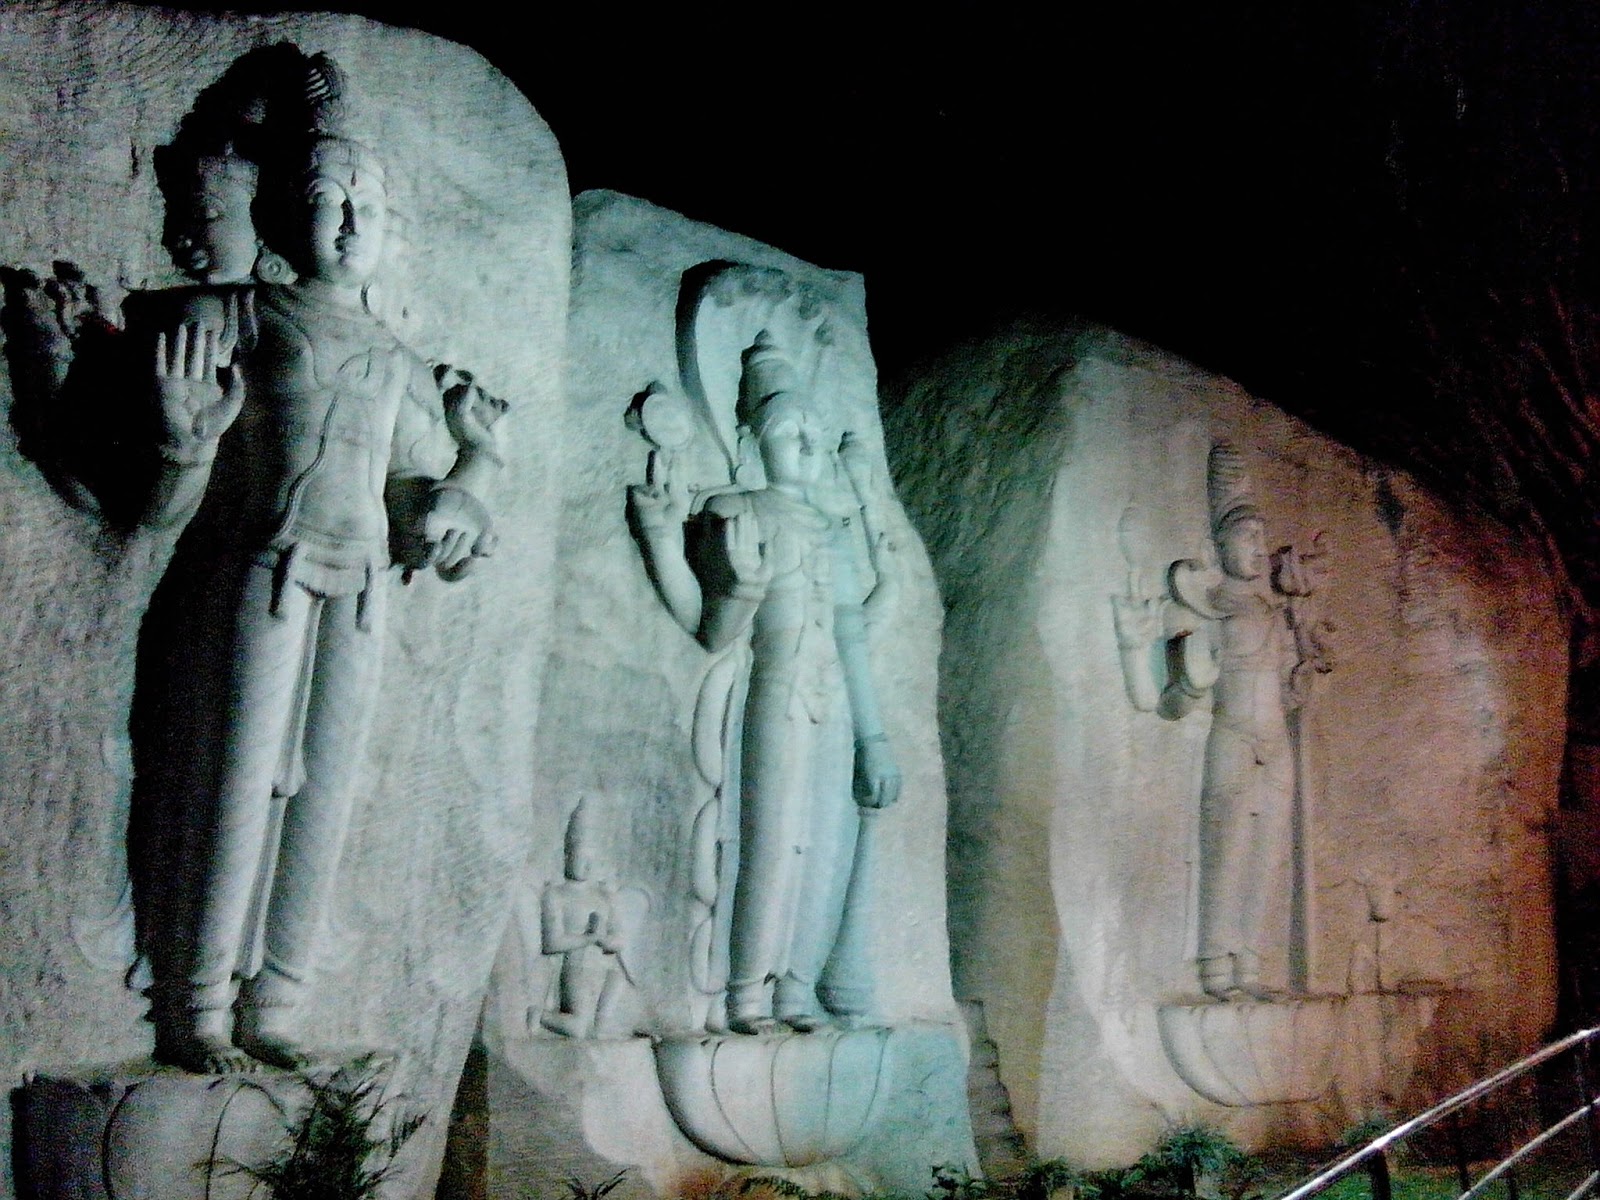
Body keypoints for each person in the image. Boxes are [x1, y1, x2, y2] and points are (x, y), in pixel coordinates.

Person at [145, 122, 503, 1072]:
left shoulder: (401, 360)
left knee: (326, 791)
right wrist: (181, 440)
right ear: (277, 215)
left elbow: (411, 496)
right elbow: (155, 481)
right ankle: (198, 1003)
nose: (349, 221)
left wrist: (455, 501)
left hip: (360, 582)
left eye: (368, 206)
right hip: (265, 567)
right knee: (235, 777)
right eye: (326, 199)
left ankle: (280, 999)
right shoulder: (237, 317)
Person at [630, 333, 899, 1034]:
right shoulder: (733, 510)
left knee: (827, 848)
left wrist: (873, 737)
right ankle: (747, 988)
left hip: (833, 705)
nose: (807, 441)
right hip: (774, 695)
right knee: (772, 839)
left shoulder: (835, 531)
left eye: (811, 427)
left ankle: (796, 990)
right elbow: (710, 630)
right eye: (786, 429)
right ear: (748, 442)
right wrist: (665, 538)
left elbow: (851, 638)